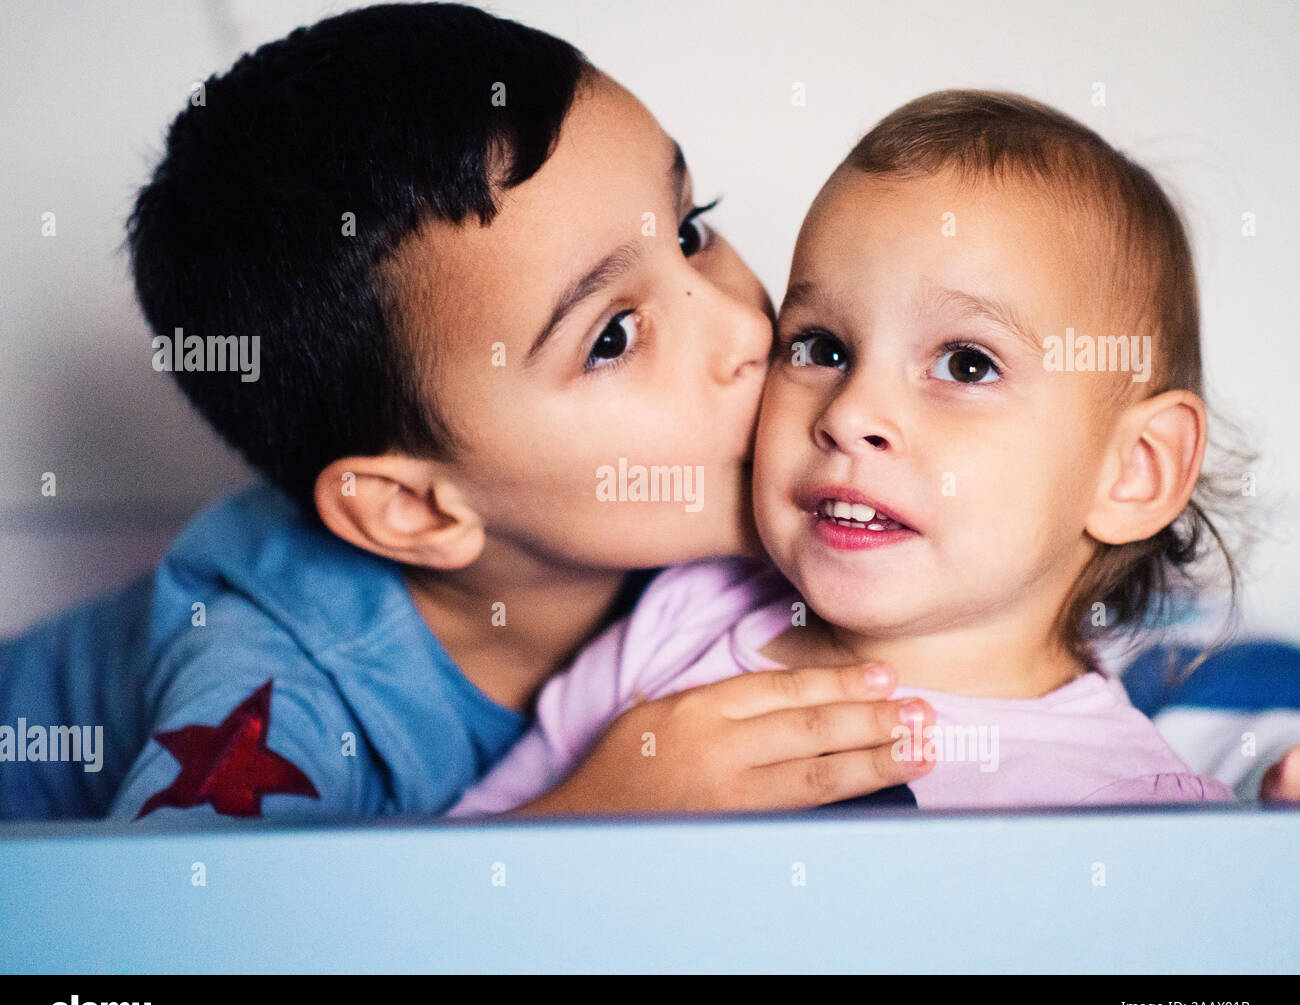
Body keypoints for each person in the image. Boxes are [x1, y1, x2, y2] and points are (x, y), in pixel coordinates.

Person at [0, 3, 922, 823]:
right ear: (418, 508)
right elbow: (135, 969)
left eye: (688, 230)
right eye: (610, 338)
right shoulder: (285, 697)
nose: (740, 327)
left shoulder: (675, 525)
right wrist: (583, 829)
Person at [450, 90, 1253, 816]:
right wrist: (590, 818)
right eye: (823, 347)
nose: (851, 411)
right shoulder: (681, 617)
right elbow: (434, 892)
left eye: (967, 364)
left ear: (1134, 471)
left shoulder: (1145, 815)